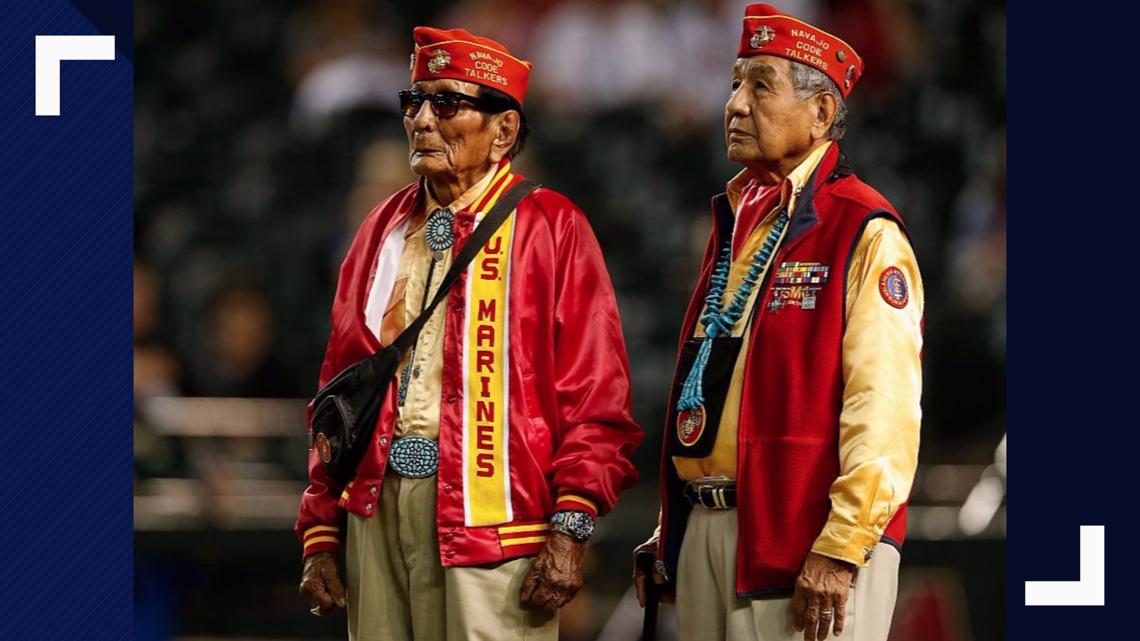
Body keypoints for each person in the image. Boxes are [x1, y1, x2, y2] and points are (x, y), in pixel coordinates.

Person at [296, 26, 643, 641]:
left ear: (504, 130)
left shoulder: (551, 225)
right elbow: (340, 389)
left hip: (496, 519)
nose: (423, 120)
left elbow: (596, 395)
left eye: (448, 104)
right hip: (375, 510)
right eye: (415, 102)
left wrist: (570, 526)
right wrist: (321, 527)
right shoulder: (380, 227)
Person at [633, 5, 923, 641]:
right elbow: (719, 387)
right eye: (735, 83)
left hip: (806, 542)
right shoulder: (740, 219)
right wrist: (673, 523)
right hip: (713, 532)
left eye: (761, 85)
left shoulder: (862, 228)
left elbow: (886, 408)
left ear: (821, 114)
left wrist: (842, 545)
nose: (735, 104)